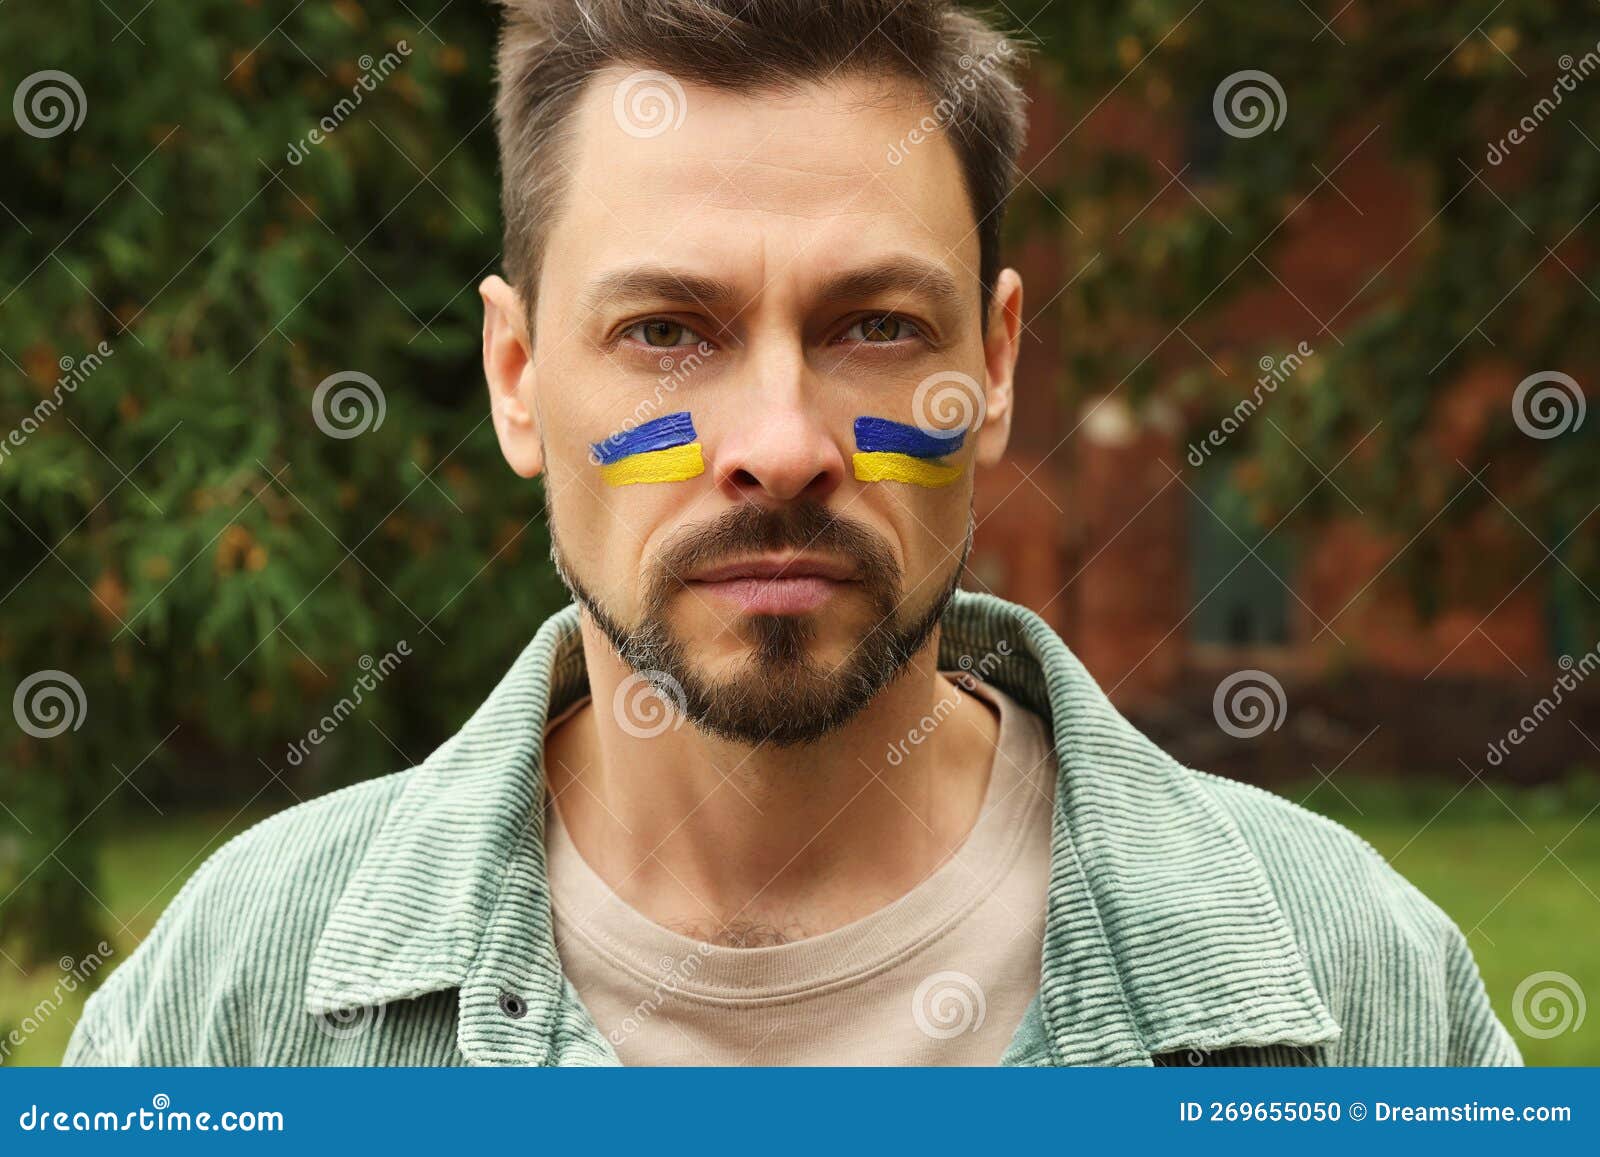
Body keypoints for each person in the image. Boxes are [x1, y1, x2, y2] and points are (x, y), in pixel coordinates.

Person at [63, 0, 1519, 1067]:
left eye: (875, 326)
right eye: (666, 331)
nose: (779, 446)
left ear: (997, 367)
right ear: (517, 380)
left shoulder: (1363, 998)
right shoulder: (231, 1008)